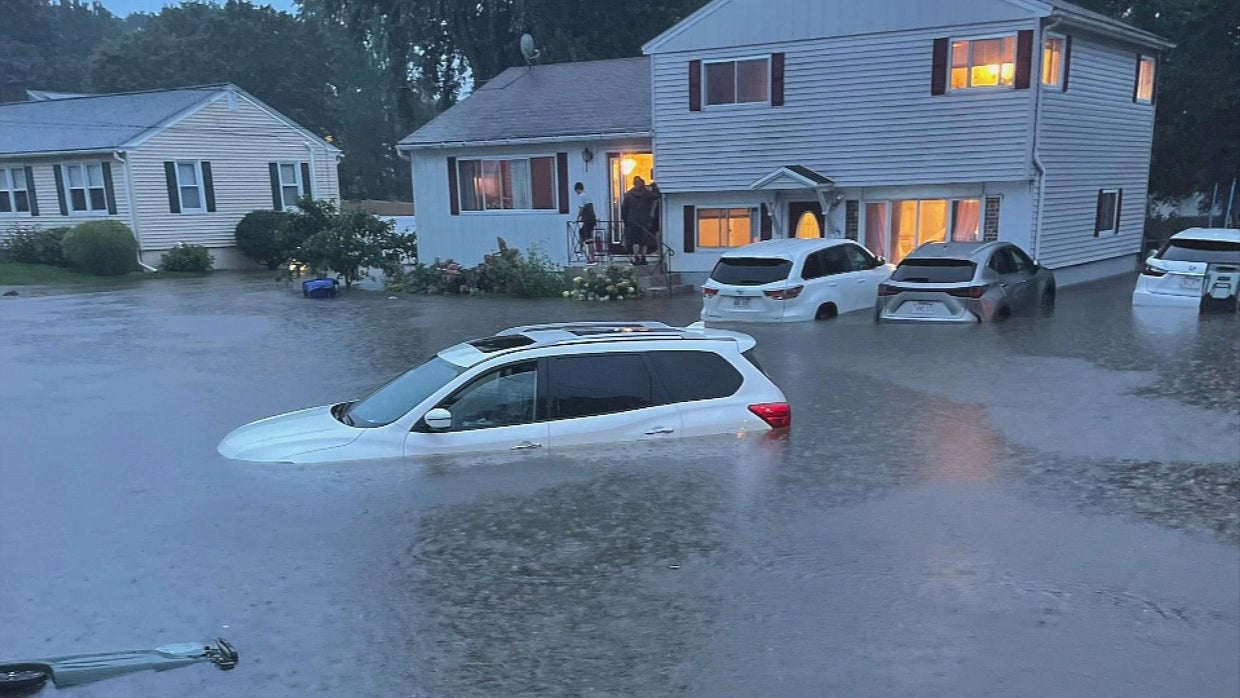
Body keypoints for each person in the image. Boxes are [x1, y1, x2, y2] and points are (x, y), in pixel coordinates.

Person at [620, 176, 653, 265]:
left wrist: (625, 220)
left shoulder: (629, 194)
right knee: (644, 240)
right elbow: (657, 196)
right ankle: (643, 258)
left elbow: (624, 209)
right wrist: (654, 185)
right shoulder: (646, 193)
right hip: (644, 220)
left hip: (632, 220)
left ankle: (636, 257)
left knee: (635, 240)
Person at [573, 182, 598, 264]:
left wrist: (577, 218)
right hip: (591, 219)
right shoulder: (587, 196)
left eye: (576, 191)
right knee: (581, 232)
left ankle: (592, 258)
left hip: (588, 220)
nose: (576, 193)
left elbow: (581, 208)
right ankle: (581, 249)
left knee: (589, 239)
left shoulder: (581, 196)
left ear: (577, 189)